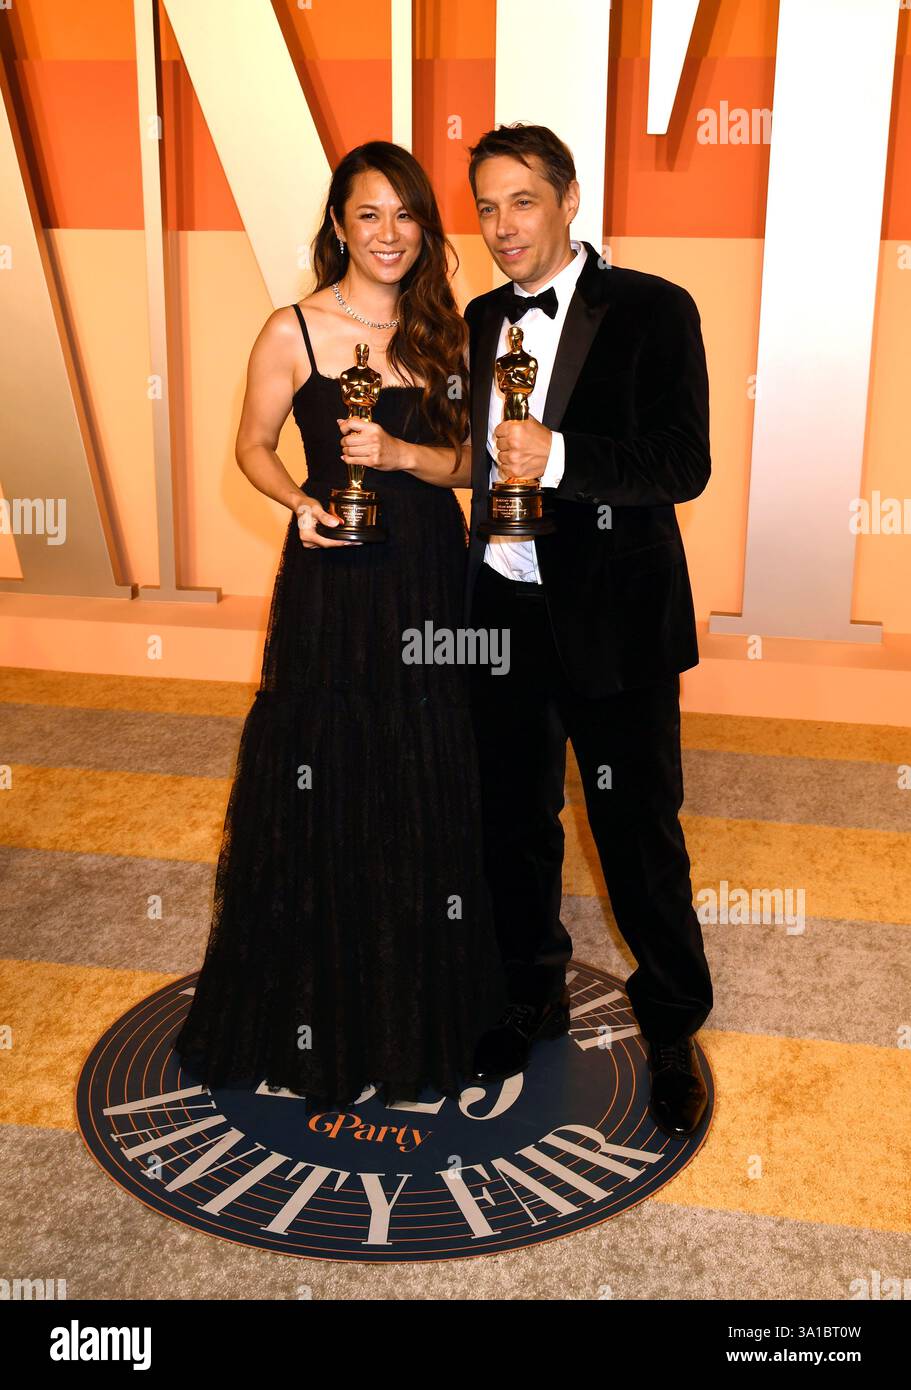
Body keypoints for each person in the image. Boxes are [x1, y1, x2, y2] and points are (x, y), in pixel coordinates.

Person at [174, 141, 508, 1113]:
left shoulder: (448, 331)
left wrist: (402, 450)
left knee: (421, 771)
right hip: (331, 579)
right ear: (336, 225)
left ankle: (418, 1014)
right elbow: (249, 442)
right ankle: (313, 1010)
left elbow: (467, 469)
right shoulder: (294, 331)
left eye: (406, 215)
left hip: (426, 577)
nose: (390, 234)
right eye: (370, 215)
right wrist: (295, 500)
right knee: (321, 771)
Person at [462, 123, 714, 1137]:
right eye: (484, 205)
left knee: (635, 833)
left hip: (615, 620)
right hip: (501, 611)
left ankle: (669, 1022)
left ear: (569, 199)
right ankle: (532, 993)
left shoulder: (653, 309)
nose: (501, 225)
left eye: (521, 200)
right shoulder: (478, 318)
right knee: (510, 825)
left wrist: (556, 456)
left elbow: (678, 463)